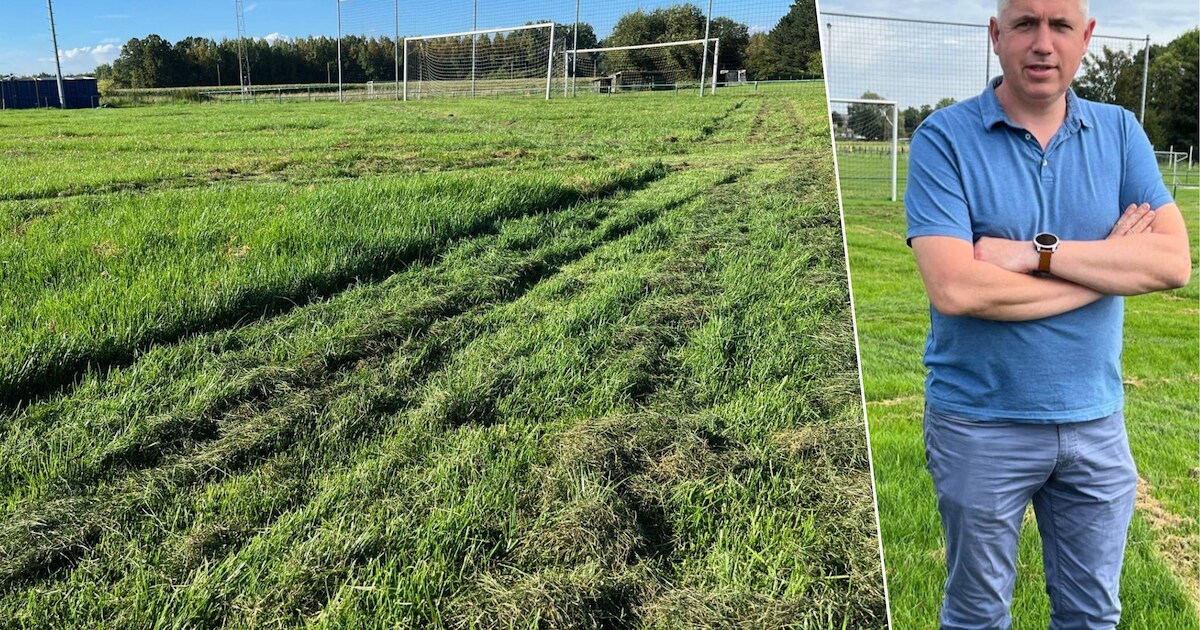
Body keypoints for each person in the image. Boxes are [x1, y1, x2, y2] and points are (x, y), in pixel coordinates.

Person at [902, 0, 1192, 627]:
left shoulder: (1118, 132)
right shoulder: (944, 138)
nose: (1042, 43)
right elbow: (957, 289)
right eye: (1024, 24)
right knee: (977, 613)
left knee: (1092, 616)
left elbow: (1171, 263)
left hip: (1096, 425)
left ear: (1085, 37)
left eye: (1060, 26)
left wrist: (1035, 254)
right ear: (995, 35)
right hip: (980, 423)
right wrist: (1108, 269)